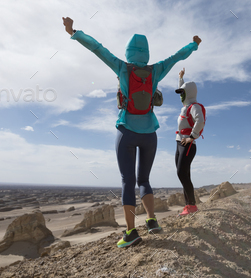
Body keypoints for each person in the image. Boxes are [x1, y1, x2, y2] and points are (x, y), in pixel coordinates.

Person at [62, 16, 201, 248]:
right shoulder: (156, 70)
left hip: (126, 130)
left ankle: (130, 232)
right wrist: (193, 45)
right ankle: (152, 221)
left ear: (128, 52)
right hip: (150, 134)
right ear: (146, 52)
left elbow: (98, 48)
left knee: (128, 181)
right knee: (144, 179)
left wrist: (73, 32)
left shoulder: (122, 68)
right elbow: (176, 57)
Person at [175, 68, 205, 216]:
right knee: (184, 174)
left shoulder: (195, 107)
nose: (181, 96)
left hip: (187, 144)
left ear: (189, 94)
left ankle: (192, 205)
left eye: (183, 93)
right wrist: (180, 78)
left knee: (181, 173)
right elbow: (184, 91)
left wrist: (192, 137)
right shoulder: (186, 107)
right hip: (179, 143)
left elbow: (200, 121)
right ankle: (188, 205)